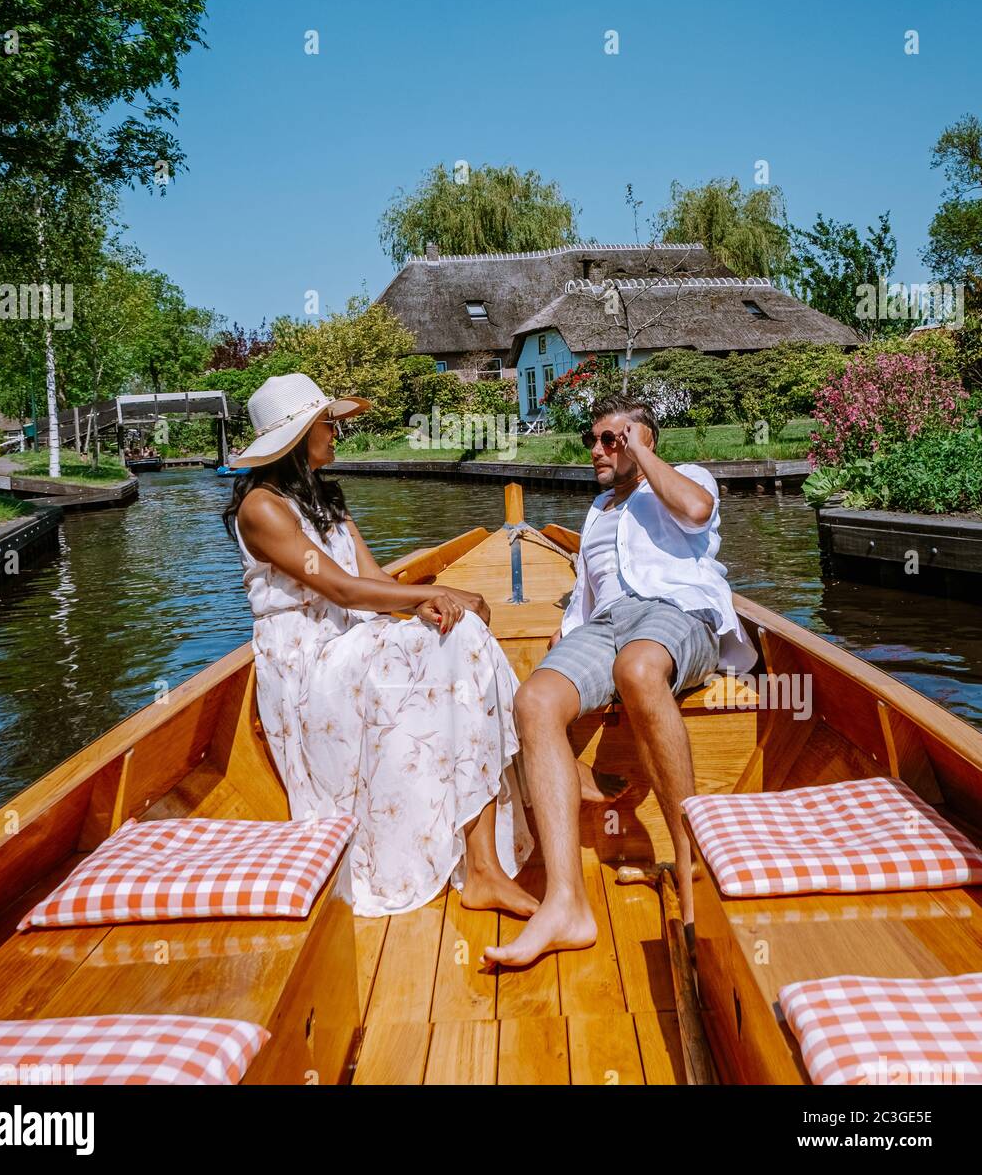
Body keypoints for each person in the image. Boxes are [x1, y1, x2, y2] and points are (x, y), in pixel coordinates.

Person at [225, 372, 534, 918]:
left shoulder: (324, 498)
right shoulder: (262, 509)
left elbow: (375, 583)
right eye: (329, 421)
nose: (338, 430)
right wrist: (437, 589)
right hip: (309, 666)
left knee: (456, 630)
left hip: (351, 642)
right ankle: (523, 785)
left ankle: (484, 863)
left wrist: (426, 603)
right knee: (456, 630)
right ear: (298, 435)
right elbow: (341, 588)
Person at [484, 393, 756, 968]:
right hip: (607, 624)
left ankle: (690, 864)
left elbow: (698, 512)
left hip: (678, 614)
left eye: (613, 438)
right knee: (533, 701)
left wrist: (642, 453)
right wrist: (567, 636)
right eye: (594, 440)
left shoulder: (683, 478)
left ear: (644, 440)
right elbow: (588, 593)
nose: (598, 449)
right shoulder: (598, 511)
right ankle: (565, 905)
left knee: (636, 668)